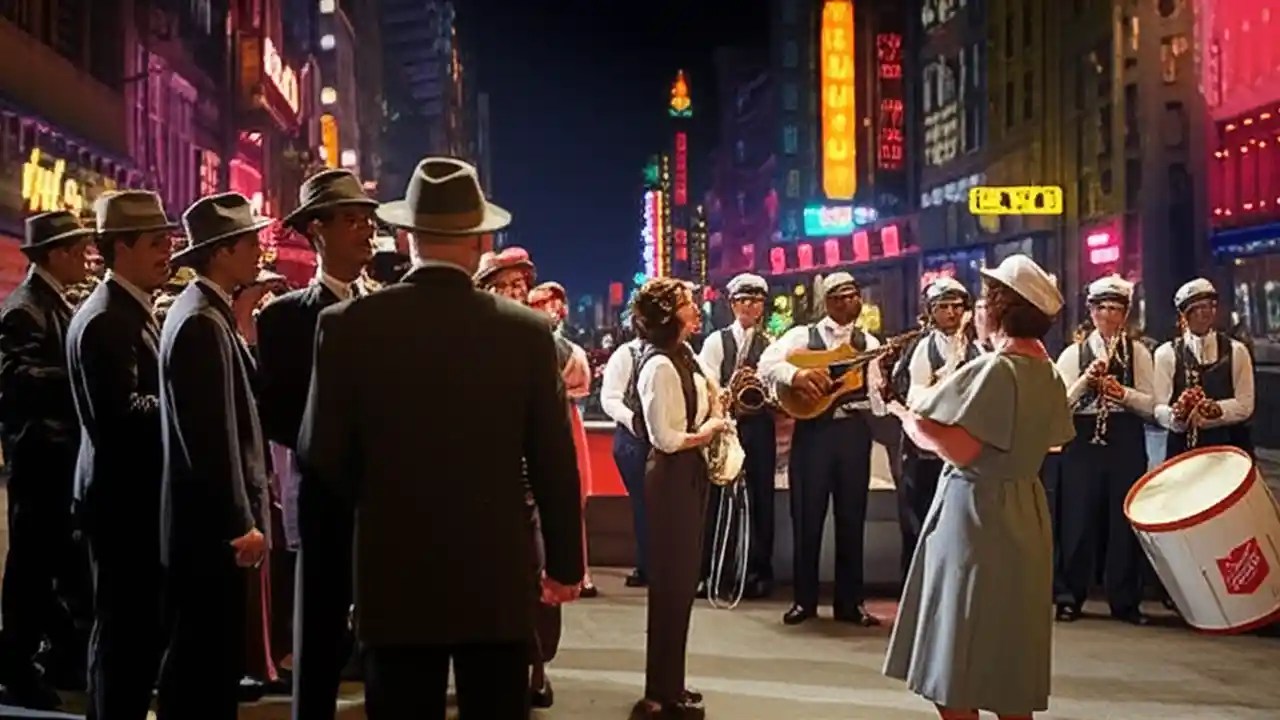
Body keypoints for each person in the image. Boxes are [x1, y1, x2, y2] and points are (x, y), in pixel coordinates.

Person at [299, 157, 582, 718]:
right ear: (481, 241)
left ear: (405, 238)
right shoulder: (526, 334)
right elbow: (554, 461)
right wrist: (565, 565)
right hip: (496, 577)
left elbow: (321, 457)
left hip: (392, 575)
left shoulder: (348, 325)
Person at [883, 254, 1075, 720]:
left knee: (956, 658)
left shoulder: (996, 369)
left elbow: (958, 447)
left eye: (986, 299)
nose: (978, 311)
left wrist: (909, 419)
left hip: (977, 514)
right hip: (1025, 512)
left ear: (1002, 309)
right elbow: (1053, 441)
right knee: (1010, 655)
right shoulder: (1046, 372)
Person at [256, 168, 378, 718]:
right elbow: (277, 414)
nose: (366, 232)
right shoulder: (282, 318)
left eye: (367, 220)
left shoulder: (387, 309)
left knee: (383, 640)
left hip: (384, 506)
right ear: (317, 231)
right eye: (351, 221)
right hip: (323, 500)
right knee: (318, 637)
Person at [156, 192, 273, 718]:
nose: (259, 249)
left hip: (202, 526)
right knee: (202, 661)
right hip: (207, 530)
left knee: (206, 658)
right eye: (250, 241)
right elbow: (210, 438)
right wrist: (238, 520)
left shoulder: (208, 311)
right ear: (221, 252)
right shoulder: (200, 319)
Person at [66, 191, 176, 719]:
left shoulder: (128, 308)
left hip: (124, 500)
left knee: (126, 639)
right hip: (121, 504)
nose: (168, 252)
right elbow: (121, 413)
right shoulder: (110, 317)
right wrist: (181, 401)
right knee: (123, 642)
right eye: (156, 243)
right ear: (122, 248)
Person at [0, 210, 95, 709]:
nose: (86, 257)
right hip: (40, 462)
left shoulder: (54, 301)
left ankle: (58, 658)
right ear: (55, 255)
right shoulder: (25, 308)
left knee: (57, 566)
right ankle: (16, 668)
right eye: (78, 249)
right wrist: (79, 373)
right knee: (31, 571)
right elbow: (16, 381)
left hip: (57, 461)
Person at [757, 271, 886, 626]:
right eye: (841, 297)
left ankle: (850, 603)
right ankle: (804, 600)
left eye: (854, 296)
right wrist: (797, 377)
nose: (849, 303)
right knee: (806, 516)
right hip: (814, 433)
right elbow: (767, 364)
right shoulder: (803, 336)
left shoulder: (869, 342)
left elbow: (875, 394)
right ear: (827, 302)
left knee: (851, 517)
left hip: (853, 433)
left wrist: (885, 397)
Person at [474, 248, 567, 709]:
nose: (515, 293)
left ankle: (537, 669)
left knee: (536, 583)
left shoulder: (538, 339)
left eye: (520, 286)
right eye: (505, 286)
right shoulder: (469, 338)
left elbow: (552, 438)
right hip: (479, 486)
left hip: (527, 486)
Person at [630, 277, 723, 720]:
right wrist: (706, 433)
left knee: (682, 586)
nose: (696, 308)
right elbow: (665, 437)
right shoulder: (660, 366)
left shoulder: (686, 357)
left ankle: (672, 685)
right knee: (669, 587)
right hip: (671, 476)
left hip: (689, 472)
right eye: (688, 303)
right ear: (669, 316)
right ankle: (657, 694)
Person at [1052, 275, 1154, 626]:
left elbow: (1152, 404)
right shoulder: (1072, 354)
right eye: (1102, 308)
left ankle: (1125, 599)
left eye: (1116, 309)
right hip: (1082, 437)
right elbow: (1059, 403)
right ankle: (1069, 596)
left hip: (1124, 436)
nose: (1109, 316)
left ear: (1125, 314)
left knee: (1122, 521)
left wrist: (1121, 393)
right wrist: (1086, 382)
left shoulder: (1137, 353)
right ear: (1091, 312)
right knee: (1077, 519)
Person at [889, 276, 982, 579]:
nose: (952, 313)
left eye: (957, 306)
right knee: (919, 519)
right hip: (924, 451)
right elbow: (916, 397)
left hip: (963, 449)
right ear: (931, 311)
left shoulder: (977, 350)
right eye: (944, 307)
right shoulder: (922, 349)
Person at [697, 273, 777, 599]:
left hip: (759, 427)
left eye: (756, 301)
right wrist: (731, 392)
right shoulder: (716, 341)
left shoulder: (772, 344)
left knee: (761, 501)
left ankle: (758, 573)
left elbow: (776, 388)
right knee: (718, 502)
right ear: (732, 304)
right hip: (727, 427)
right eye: (743, 300)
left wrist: (763, 392)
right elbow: (707, 385)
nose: (749, 306)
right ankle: (715, 572)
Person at [529, 280, 599, 598]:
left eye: (556, 306)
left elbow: (581, 380)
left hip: (563, 421)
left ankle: (574, 570)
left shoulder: (567, 350)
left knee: (569, 493)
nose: (552, 311)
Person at [1152, 278, 1255, 459]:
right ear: (1184, 315)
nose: (1203, 314)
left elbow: (1246, 404)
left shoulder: (1236, 351)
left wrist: (1218, 410)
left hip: (1230, 447)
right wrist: (1177, 415)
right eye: (1196, 309)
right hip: (1183, 449)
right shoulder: (1166, 353)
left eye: (1208, 307)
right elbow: (1159, 407)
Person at [599, 330, 651, 587]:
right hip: (634, 438)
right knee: (644, 503)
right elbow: (609, 398)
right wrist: (633, 420)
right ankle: (647, 565)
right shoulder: (626, 354)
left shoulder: (682, 352)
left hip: (667, 437)